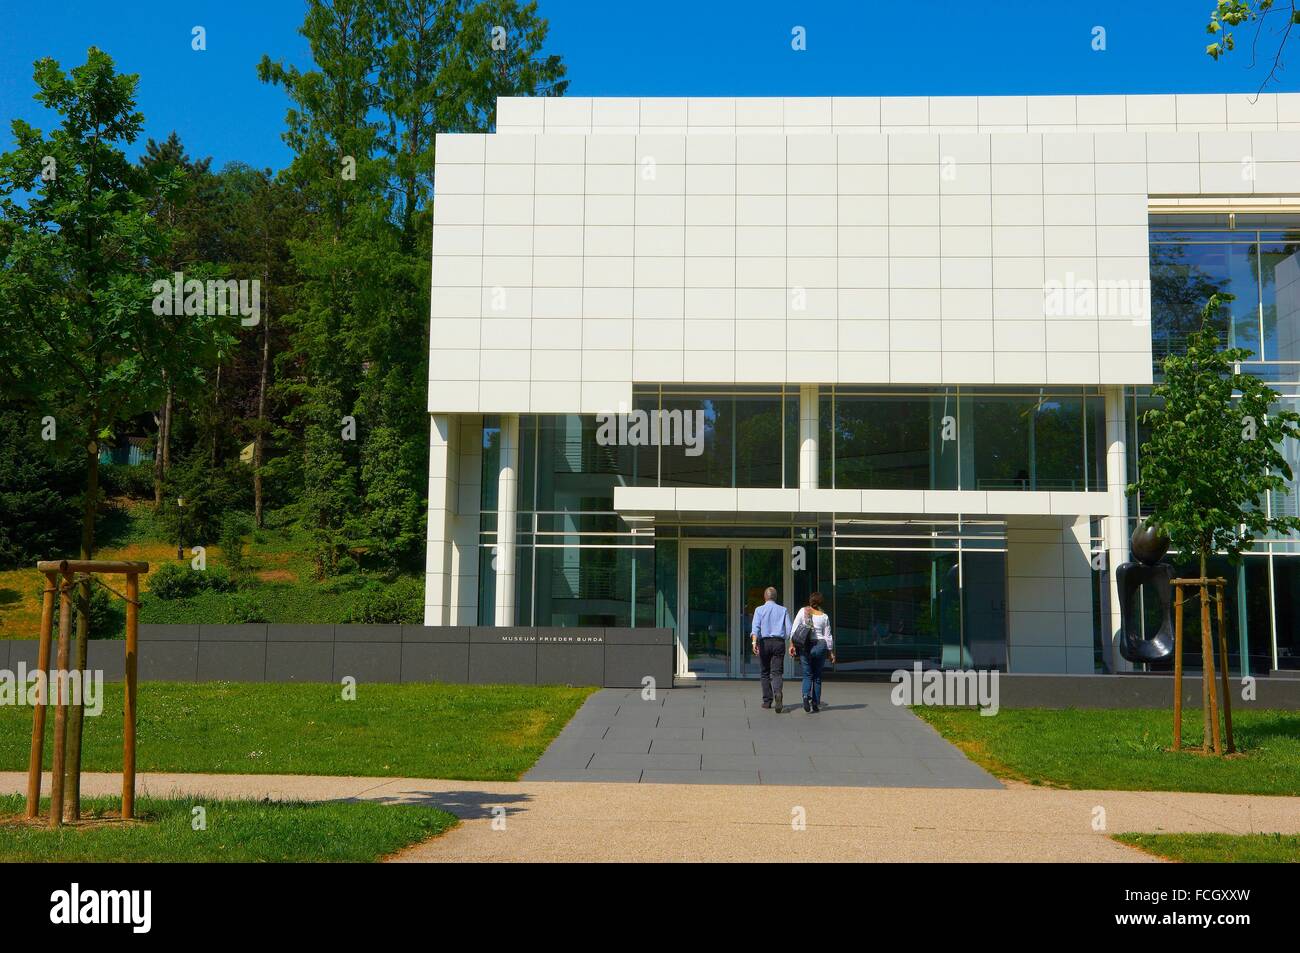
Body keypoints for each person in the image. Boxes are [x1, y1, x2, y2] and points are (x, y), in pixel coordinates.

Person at [790, 591, 835, 712]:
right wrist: (830, 652)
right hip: (820, 646)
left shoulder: (803, 611)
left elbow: (794, 630)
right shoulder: (824, 616)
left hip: (806, 645)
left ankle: (805, 696)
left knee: (807, 674)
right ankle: (815, 703)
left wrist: (792, 645)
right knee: (817, 676)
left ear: (810, 601)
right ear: (821, 602)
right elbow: (828, 636)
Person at [750, 586, 790, 712]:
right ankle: (778, 692)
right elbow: (789, 630)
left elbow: (755, 627)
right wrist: (791, 644)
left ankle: (767, 701)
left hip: (764, 643)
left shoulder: (759, 610)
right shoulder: (783, 610)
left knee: (765, 672)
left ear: (765, 597)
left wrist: (754, 642)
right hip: (779, 643)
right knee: (777, 672)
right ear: (776, 597)